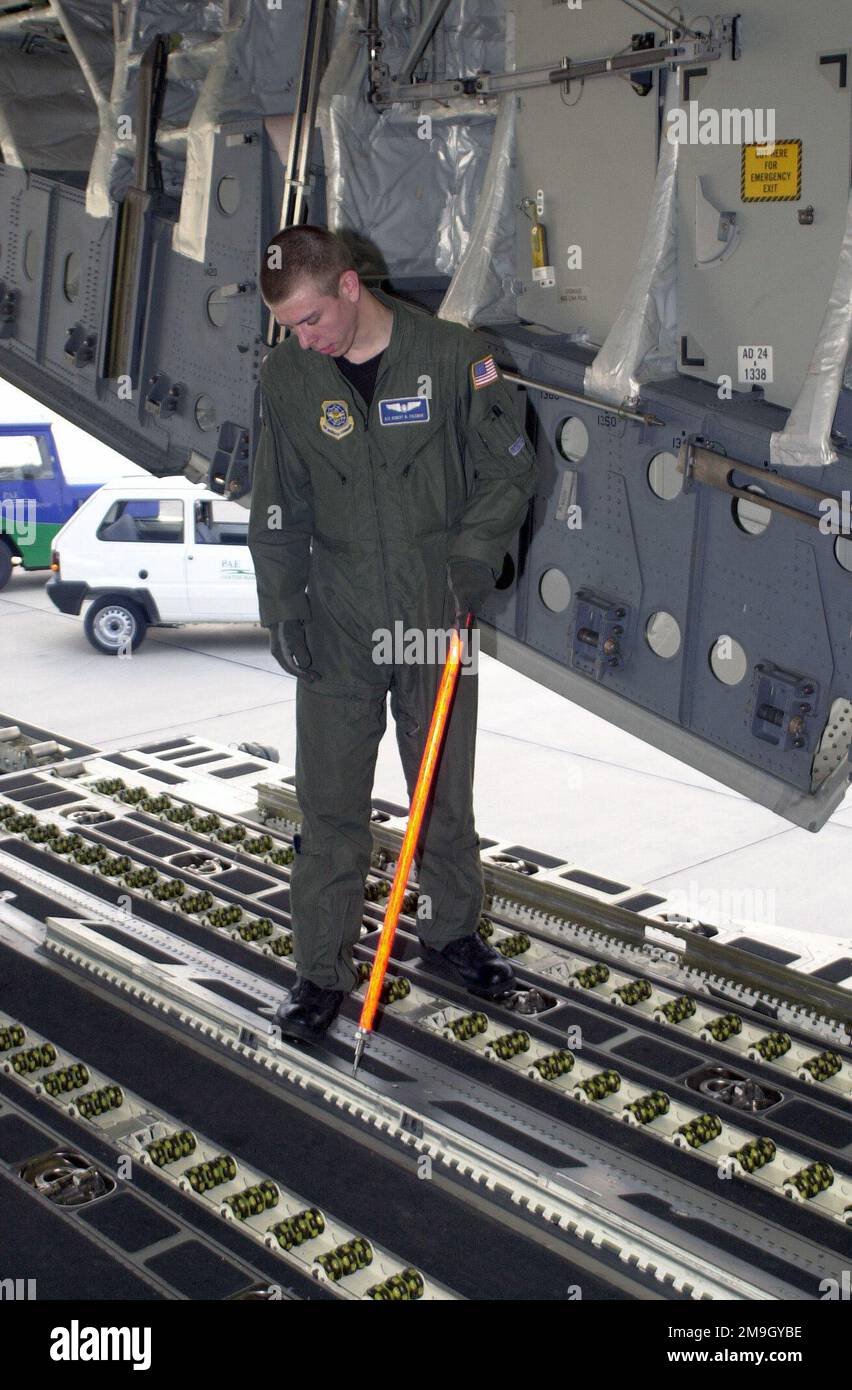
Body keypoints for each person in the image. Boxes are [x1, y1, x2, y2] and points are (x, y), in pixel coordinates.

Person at [248, 225, 537, 1042]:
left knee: (441, 790)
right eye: (290, 327)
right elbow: (277, 502)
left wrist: (477, 553)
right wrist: (284, 605)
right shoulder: (289, 376)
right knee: (330, 802)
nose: (303, 339)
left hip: (433, 610)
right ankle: (319, 972)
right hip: (339, 613)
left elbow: (511, 465)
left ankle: (450, 936)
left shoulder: (455, 356)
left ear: (347, 286)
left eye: (309, 319)